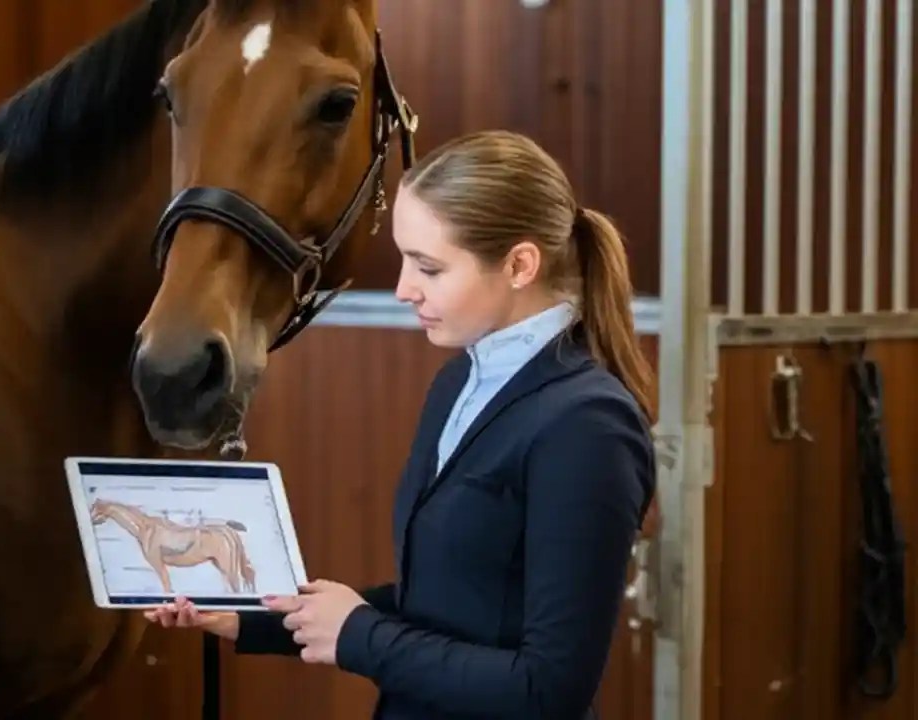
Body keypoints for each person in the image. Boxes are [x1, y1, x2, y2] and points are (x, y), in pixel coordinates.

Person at [144, 129, 657, 719]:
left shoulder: (587, 425)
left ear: (519, 264)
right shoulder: (460, 382)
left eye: (429, 267)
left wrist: (358, 634)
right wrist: (250, 619)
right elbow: (443, 605)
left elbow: (546, 690)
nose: (403, 289)